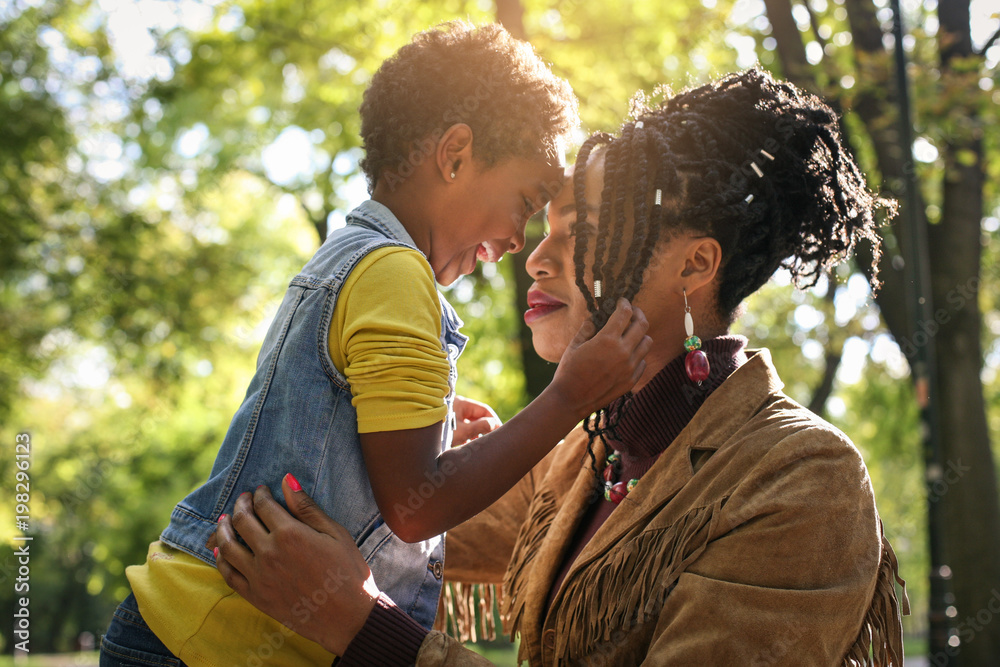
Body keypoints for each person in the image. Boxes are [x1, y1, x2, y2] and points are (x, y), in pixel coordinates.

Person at [213, 67, 910, 666]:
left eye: (582, 233)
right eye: (543, 227)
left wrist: (365, 628)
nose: (536, 258)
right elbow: (413, 515)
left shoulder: (802, 476)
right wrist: (389, 425)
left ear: (694, 264)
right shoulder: (585, 450)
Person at [99, 22, 651, 666]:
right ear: (455, 154)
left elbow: (327, 418)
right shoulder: (395, 274)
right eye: (524, 202)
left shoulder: (353, 256)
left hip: (183, 626)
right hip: (211, 644)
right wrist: (568, 397)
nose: (516, 240)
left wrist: (435, 415)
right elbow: (421, 505)